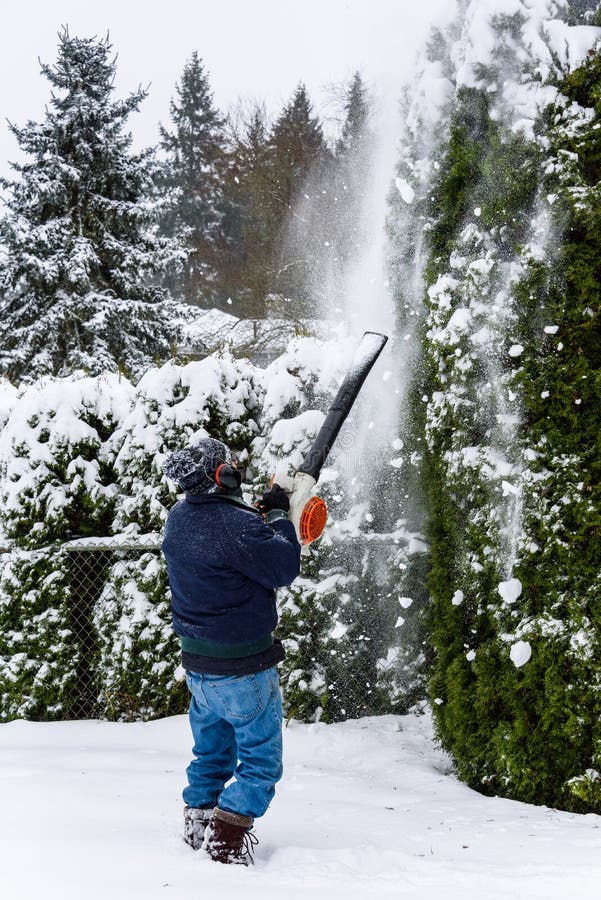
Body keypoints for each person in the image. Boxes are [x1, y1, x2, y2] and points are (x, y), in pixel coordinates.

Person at [161, 437, 301, 865]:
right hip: (243, 670)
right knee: (260, 764)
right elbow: (282, 567)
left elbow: (230, 540)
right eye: (231, 465)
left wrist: (262, 515)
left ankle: (198, 823)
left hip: (200, 670)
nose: (237, 467)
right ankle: (225, 842)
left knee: (212, 750)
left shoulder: (180, 518)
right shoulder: (234, 525)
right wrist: (278, 514)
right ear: (222, 475)